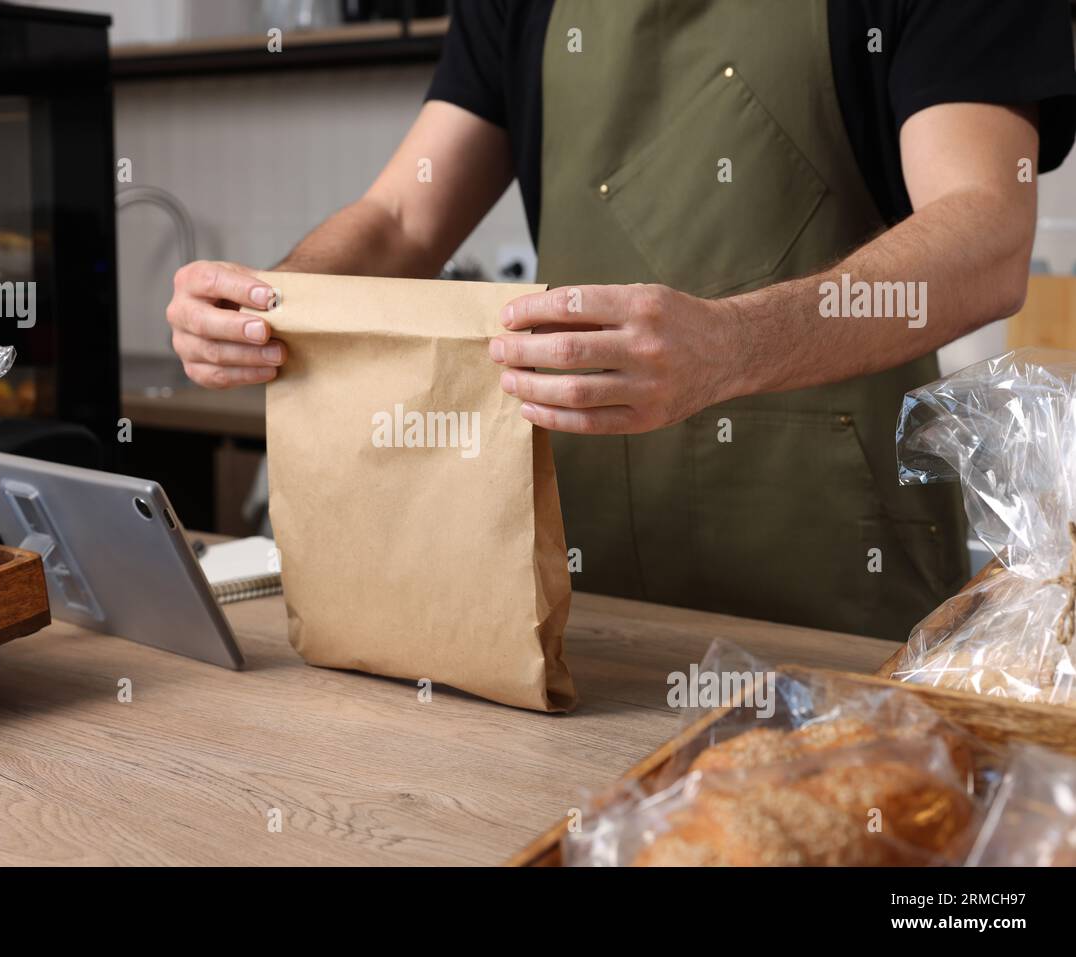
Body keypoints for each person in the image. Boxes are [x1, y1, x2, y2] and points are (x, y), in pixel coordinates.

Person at [166, 0, 1076, 640]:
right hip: (581, 612)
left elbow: (987, 229)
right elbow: (404, 218)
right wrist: (266, 299)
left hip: (837, 595)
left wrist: (727, 348)